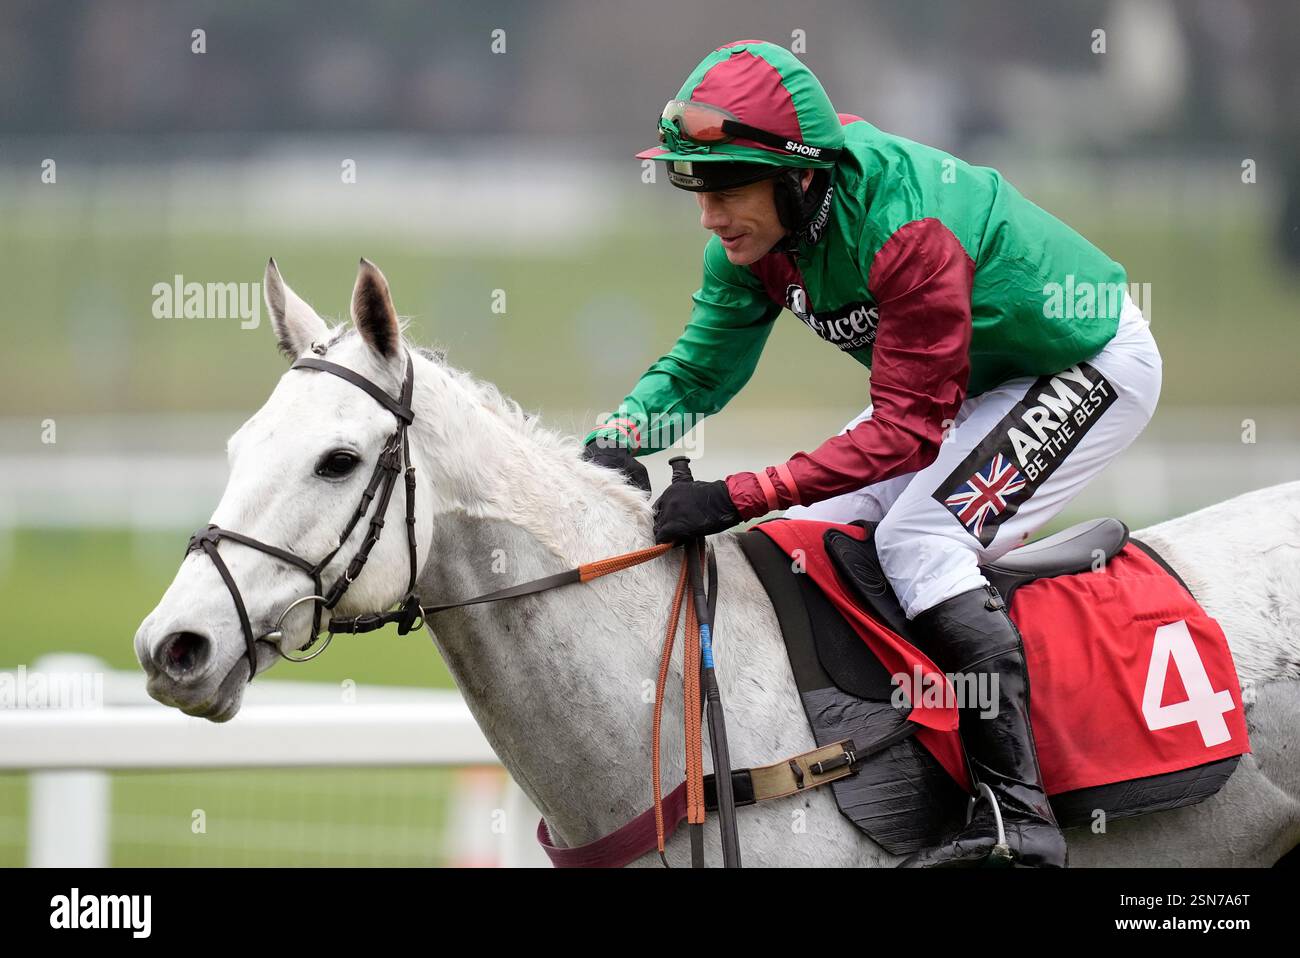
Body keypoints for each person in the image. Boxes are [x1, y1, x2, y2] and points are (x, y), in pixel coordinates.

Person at [581, 40, 1161, 868]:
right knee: (808, 537)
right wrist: (615, 438)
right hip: (966, 384)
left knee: (919, 541)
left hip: (1082, 360)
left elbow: (907, 432)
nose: (709, 218)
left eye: (727, 189)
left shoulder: (907, 227)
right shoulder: (753, 242)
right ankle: (897, 745)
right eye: (696, 189)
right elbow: (702, 367)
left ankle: (1019, 818)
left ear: (798, 176)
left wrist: (740, 491)